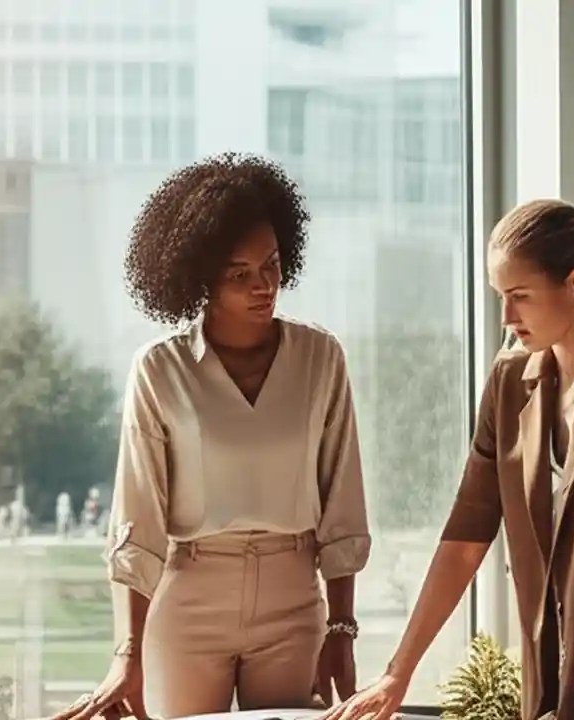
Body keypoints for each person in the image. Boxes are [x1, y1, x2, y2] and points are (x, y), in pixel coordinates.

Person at [320, 200, 574, 720]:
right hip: (554, 687)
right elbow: (465, 536)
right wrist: (397, 674)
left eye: (520, 297)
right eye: (500, 297)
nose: (507, 318)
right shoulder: (509, 382)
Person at [54, 153, 371, 720]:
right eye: (239, 274)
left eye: (272, 265)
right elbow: (137, 520)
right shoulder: (159, 369)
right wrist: (127, 654)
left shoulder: (321, 358)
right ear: (200, 277)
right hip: (188, 601)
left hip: (292, 598)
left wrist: (342, 626)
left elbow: (342, 503)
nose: (263, 286)